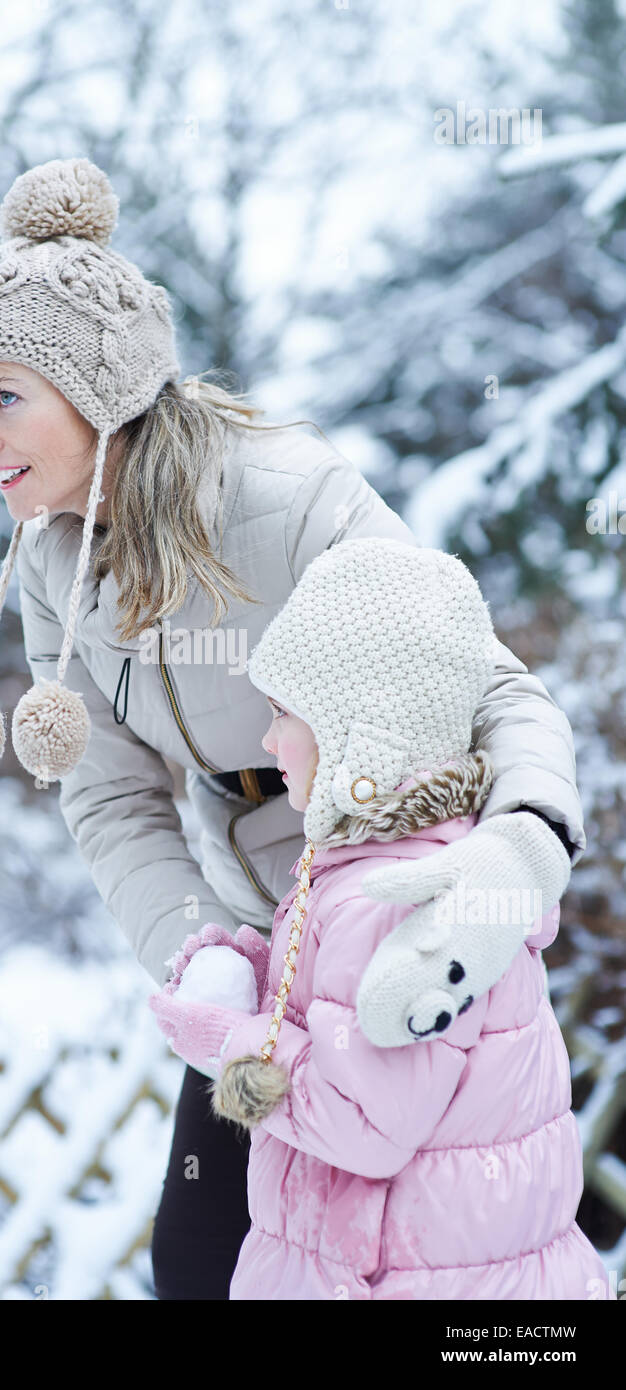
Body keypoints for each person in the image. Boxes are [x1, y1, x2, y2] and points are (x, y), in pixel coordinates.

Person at [0, 156, 587, 1301]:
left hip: (403, 923)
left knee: (443, 1262)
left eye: (4, 397)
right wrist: (199, 952)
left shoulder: (286, 495)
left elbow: (488, 678)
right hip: (259, 938)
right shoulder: (48, 561)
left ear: (94, 387)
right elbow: (106, 792)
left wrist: (516, 853)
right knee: (203, 1260)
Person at [149, 537, 608, 1300]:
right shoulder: (396, 863)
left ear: (357, 731)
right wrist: (265, 980)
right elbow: (350, 1031)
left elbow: (366, 1121)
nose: (266, 743)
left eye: (282, 714)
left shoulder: (384, 894)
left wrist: (223, 1037)